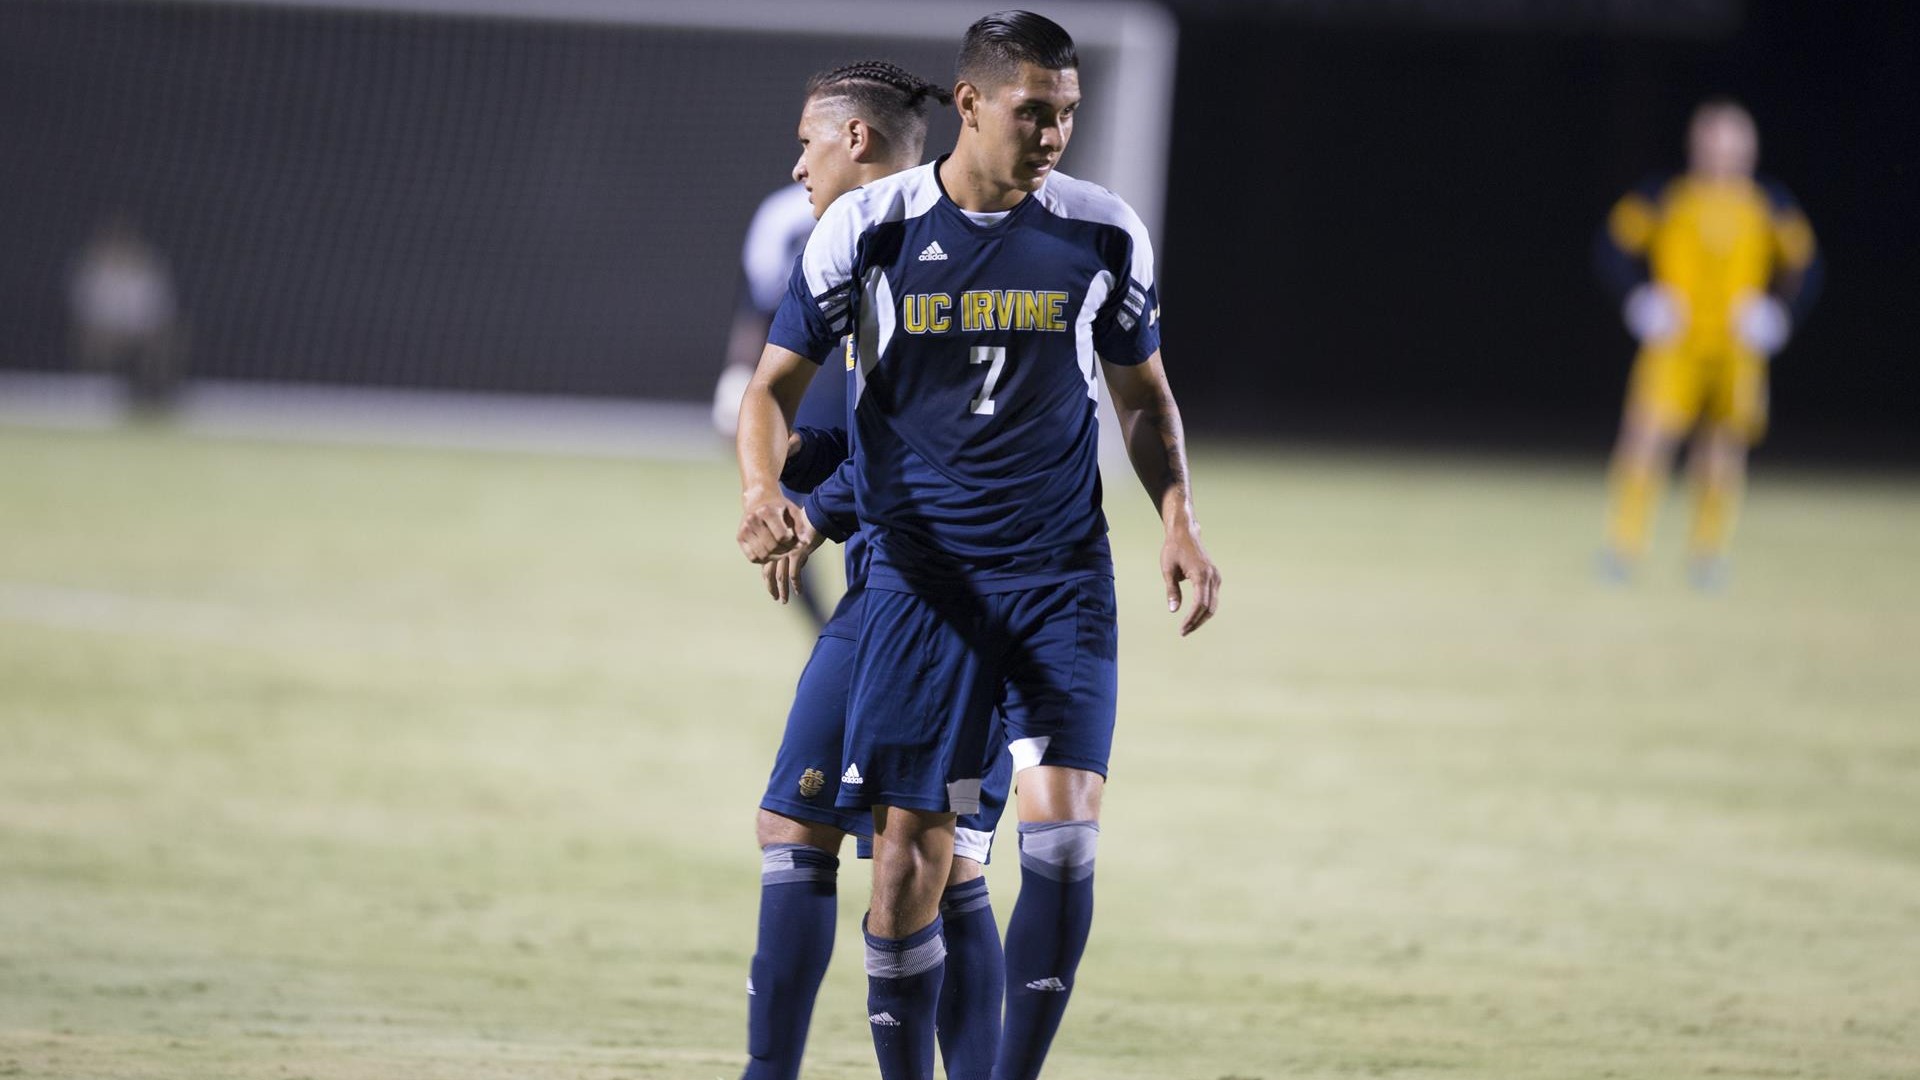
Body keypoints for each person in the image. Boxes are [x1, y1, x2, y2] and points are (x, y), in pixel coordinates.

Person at [736, 13, 1222, 1080]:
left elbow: (1144, 398)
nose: (1054, 133)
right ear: (970, 104)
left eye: (1068, 115)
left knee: (1059, 830)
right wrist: (769, 490)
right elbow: (794, 401)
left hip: (1057, 586)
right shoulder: (869, 231)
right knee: (912, 857)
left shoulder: (1103, 232)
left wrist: (1177, 516)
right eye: (1034, 111)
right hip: (915, 599)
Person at [736, 61, 1012, 1080]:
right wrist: (795, 476)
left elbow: (953, 451)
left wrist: (815, 503)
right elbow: (863, 426)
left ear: (855, 139)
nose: (796, 161)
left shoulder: (947, 243)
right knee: (796, 819)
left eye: (808, 139)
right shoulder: (855, 246)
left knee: (940, 858)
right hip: (885, 581)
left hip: (971, 594)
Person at [1595, 98, 1821, 588]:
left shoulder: (1770, 204)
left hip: (1735, 348)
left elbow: (1806, 265)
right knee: (1645, 438)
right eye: (1713, 142)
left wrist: (1778, 313)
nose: (1723, 153)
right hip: (1676, 343)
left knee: (1721, 450)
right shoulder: (1666, 195)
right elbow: (1613, 246)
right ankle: (1624, 546)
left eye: (1733, 144)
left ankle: (1707, 552)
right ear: (1695, 145)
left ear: (1750, 150)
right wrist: (1641, 298)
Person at [68, 212, 186, 415]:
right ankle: (99, 397)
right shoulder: (93, 267)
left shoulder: (146, 265)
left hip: (140, 332)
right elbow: (84, 308)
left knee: (170, 338)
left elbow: (158, 308)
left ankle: (155, 398)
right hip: (103, 332)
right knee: (93, 339)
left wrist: (144, 330)